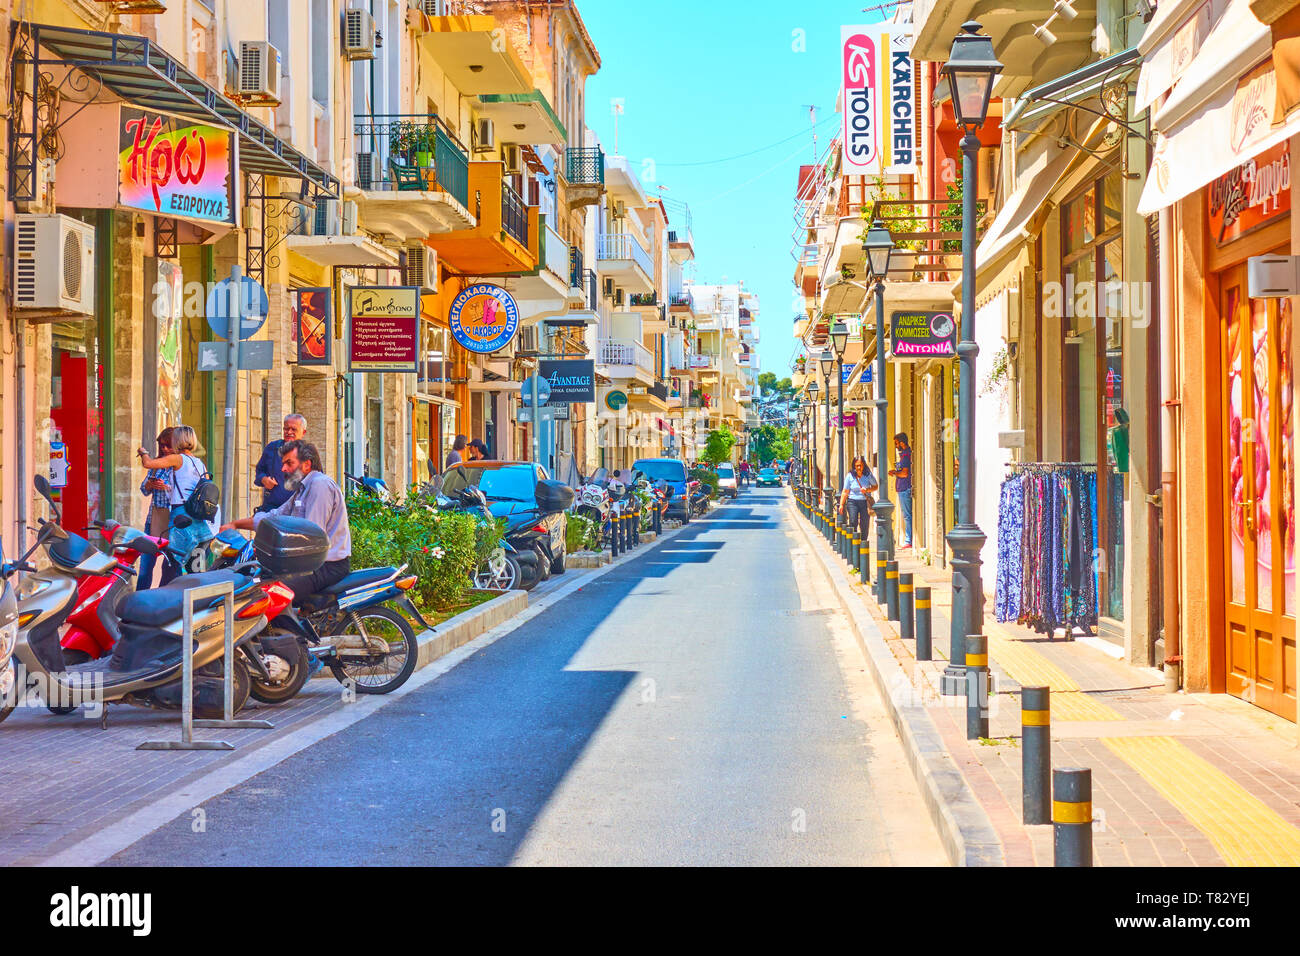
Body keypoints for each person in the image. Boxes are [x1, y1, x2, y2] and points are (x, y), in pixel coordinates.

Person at [221, 440, 352, 601]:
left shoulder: (320, 486)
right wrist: (235, 524)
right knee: (256, 582)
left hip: (326, 565)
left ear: (306, 465)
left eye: (289, 463)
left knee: (272, 597)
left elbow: (311, 535)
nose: (283, 469)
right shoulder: (302, 490)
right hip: (307, 563)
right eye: (283, 464)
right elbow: (273, 517)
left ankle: (287, 627)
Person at [136, 424, 215, 585]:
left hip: (179, 515)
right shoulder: (199, 463)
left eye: (170, 442)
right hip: (195, 520)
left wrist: (143, 453)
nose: (166, 447)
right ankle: (183, 599)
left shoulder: (177, 459)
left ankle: (163, 600)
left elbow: (148, 464)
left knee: (173, 563)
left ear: (177, 441)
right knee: (185, 565)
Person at [136, 427, 175, 590]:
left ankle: (162, 597)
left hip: (172, 521)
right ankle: (140, 599)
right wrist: (150, 485)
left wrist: (166, 487)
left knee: (169, 566)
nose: (164, 449)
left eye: (168, 445)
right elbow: (143, 490)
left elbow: (183, 493)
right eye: (162, 446)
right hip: (153, 520)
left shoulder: (178, 465)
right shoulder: (156, 466)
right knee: (145, 565)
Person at [255, 413, 306, 513]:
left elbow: (316, 481)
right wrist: (264, 479)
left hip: (297, 513)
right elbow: (259, 471)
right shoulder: (272, 448)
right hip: (272, 510)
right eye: (286, 429)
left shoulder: (308, 453)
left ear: (303, 432)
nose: (289, 432)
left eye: (293, 429)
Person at [839, 455, 878, 545]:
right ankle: (854, 542)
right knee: (853, 520)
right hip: (852, 501)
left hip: (865, 502)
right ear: (854, 466)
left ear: (863, 465)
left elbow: (875, 486)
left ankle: (863, 542)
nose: (859, 468)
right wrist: (841, 504)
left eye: (860, 465)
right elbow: (845, 491)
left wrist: (867, 490)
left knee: (864, 523)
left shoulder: (868, 475)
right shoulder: (850, 476)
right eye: (857, 466)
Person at [890, 432, 913, 548]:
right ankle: (908, 538)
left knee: (907, 515)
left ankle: (909, 540)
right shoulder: (904, 454)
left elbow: (904, 473)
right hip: (902, 488)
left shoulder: (905, 456)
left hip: (905, 488)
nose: (895, 445)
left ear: (902, 443)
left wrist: (894, 472)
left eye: (896, 443)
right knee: (906, 514)